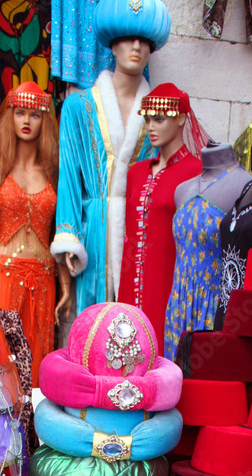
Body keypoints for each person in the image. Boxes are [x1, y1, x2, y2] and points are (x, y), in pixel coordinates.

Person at [51, 0, 171, 315]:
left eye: (145, 41)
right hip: (92, 234)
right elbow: (69, 179)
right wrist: (69, 235)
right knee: (89, 331)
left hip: (140, 237)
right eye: (128, 39)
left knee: (133, 332)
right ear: (112, 45)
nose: (136, 47)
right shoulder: (78, 107)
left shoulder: (159, 116)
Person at [0, 81, 70, 386]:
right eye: (20, 112)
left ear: (44, 121)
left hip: (44, 279)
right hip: (0, 276)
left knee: (36, 366)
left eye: (34, 114)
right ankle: (0, 433)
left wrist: (65, 283)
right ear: (9, 116)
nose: (26, 120)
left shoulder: (54, 172)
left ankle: (33, 433)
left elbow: (60, 232)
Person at [118, 84, 207, 354]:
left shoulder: (197, 171)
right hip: (129, 283)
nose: (151, 127)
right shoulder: (136, 172)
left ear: (180, 118)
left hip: (170, 286)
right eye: (147, 119)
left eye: (159, 118)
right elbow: (129, 235)